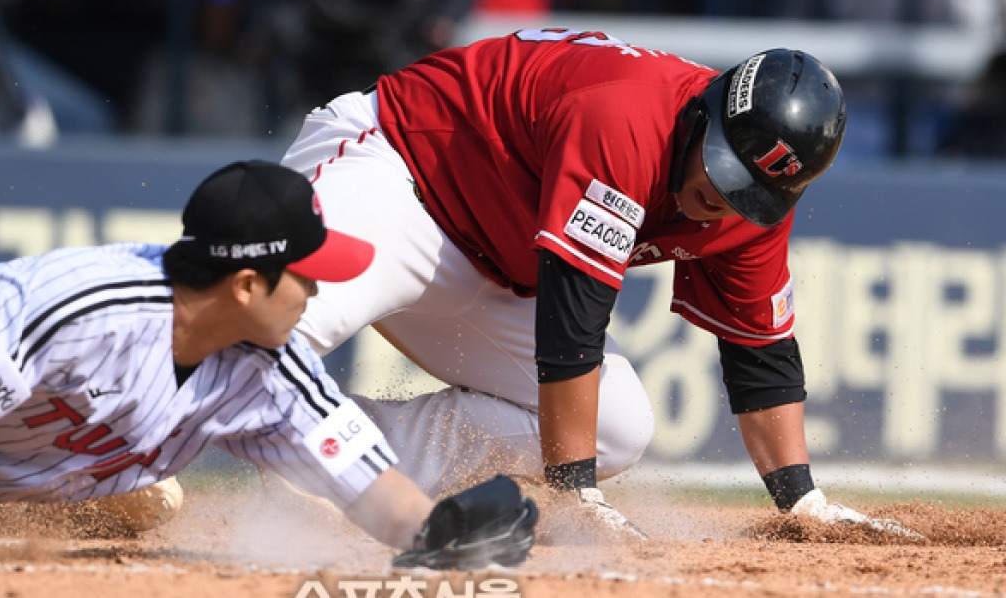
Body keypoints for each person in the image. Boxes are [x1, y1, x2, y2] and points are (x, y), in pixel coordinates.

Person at [279, 28, 918, 538]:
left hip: (496, 269)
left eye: (749, 191)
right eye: (725, 169)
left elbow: (760, 352)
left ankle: (327, 463)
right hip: (399, 171)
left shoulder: (751, 211)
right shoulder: (627, 115)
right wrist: (574, 489)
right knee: (281, 322)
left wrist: (802, 501)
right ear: (704, 114)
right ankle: (176, 434)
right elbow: (575, 311)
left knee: (617, 427)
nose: (723, 199)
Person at [0, 160, 538, 567]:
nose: (321, 289)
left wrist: (439, 530)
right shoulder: (94, 303)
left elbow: (363, 481)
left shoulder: (268, 372)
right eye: (306, 273)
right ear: (247, 285)